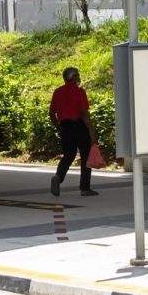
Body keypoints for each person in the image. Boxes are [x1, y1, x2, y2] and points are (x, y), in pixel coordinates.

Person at [49, 66, 97, 197]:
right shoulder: (79, 91)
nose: (79, 77)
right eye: (77, 75)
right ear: (73, 77)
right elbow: (84, 113)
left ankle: (58, 177)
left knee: (68, 156)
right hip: (79, 125)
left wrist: (59, 127)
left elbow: (51, 113)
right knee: (85, 156)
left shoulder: (57, 92)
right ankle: (85, 188)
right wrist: (91, 132)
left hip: (65, 127)